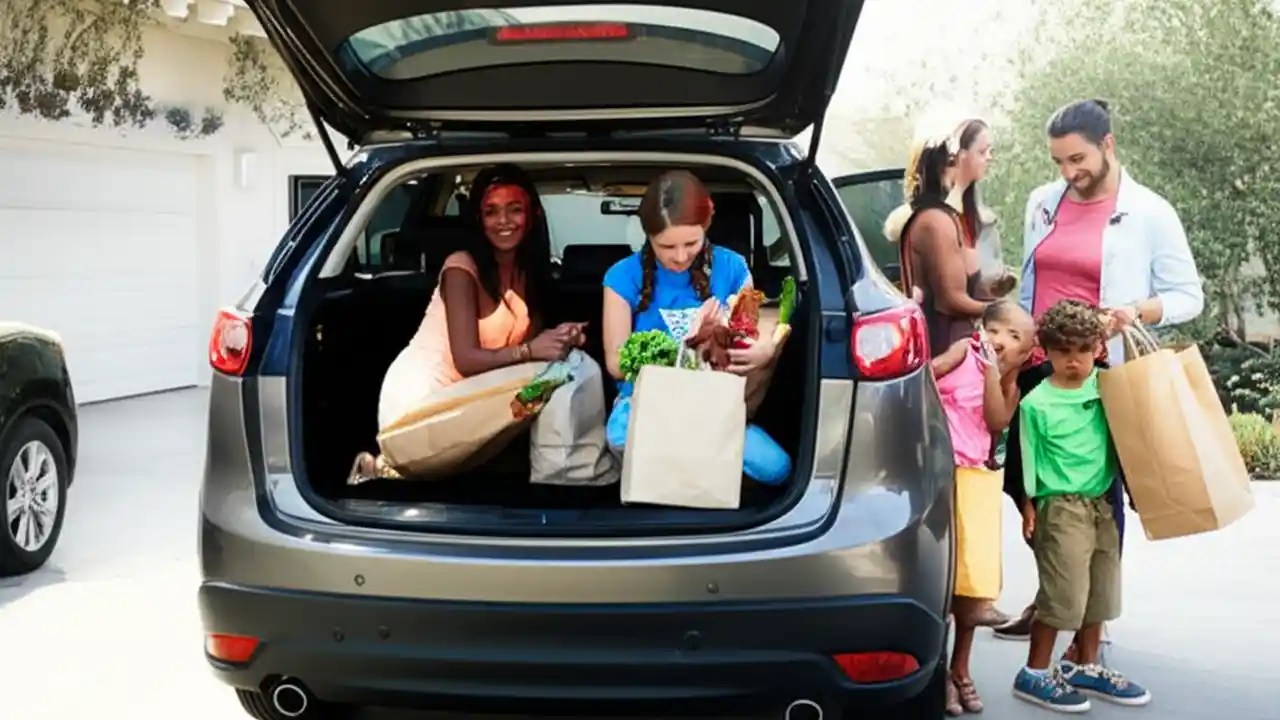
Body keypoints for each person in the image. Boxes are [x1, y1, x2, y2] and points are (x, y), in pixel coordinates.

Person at [994, 98, 1205, 649]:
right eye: (1059, 161)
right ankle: (1052, 599)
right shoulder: (1043, 202)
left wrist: (1136, 310)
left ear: (1108, 144)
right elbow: (1031, 282)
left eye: (1078, 159)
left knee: (1096, 494)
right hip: (1041, 366)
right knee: (1030, 489)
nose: (1068, 172)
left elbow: (1189, 297)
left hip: (1099, 373)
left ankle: (1091, 614)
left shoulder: (1151, 212)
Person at [348, 164, 586, 482]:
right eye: (491, 212)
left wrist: (560, 338)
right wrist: (534, 350)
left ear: (532, 217)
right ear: (478, 219)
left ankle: (564, 480)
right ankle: (567, 480)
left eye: (515, 210)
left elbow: (528, 348)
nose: (504, 221)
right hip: (416, 419)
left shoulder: (528, 274)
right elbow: (467, 359)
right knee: (558, 374)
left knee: (565, 366)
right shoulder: (461, 267)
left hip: (470, 411)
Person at [601, 170, 790, 485]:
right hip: (647, 401)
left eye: (691, 243)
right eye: (666, 247)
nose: (679, 257)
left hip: (713, 400)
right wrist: (687, 344)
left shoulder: (733, 267)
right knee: (621, 436)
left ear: (707, 224)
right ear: (648, 235)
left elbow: (747, 335)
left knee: (778, 469)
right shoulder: (622, 276)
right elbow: (617, 364)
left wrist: (761, 352)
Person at [1012, 299, 1151, 713]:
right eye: (1063, 352)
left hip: (1101, 502)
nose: (1073, 361)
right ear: (1046, 352)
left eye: (1083, 351)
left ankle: (1084, 666)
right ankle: (1034, 673)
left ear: (1098, 349)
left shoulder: (1109, 389)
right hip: (1060, 506)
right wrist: (1029, 504)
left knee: (1100, 590)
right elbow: (1028, 455)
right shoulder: (1036, 403)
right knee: (1062, 594)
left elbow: (1133, 436)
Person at [931, 301, 1035, 715]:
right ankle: (940, 673)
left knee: (971, 578)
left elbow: (995, 420)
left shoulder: (1010, 387)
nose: (1002, 342)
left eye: (1015, 339)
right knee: (943, 579)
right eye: (997, 331)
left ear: (1027, 354)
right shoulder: (962, 351)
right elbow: (925, 375)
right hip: (940, 469)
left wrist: (995, 373)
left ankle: (962, 666)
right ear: (981, 330)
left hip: (974, 476)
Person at [884, 113, 1017, 359]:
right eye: (983, 151)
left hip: (967, 350)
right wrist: (1007, 314)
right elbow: (951, 300)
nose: (990, 158)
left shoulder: (971, 219)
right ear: (955, 157)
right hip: (946, 355)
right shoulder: (935, 220)